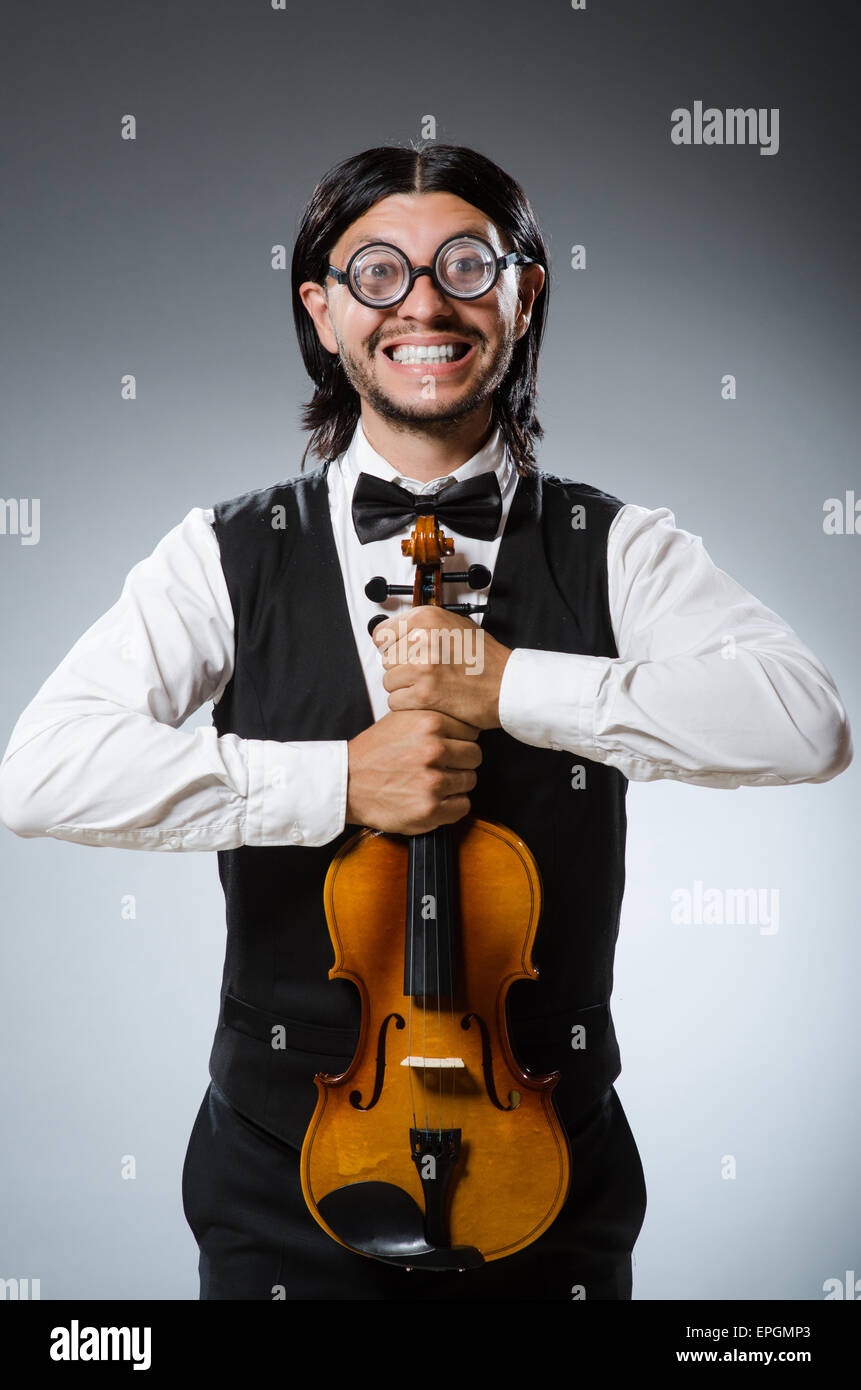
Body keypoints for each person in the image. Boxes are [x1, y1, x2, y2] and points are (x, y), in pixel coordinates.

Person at [0, 142, 852, 1302]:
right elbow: (40, 772)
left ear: (524, 290)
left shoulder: (623, 545)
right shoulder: (224, 552)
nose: (425, 304)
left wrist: (510, 687)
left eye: (465, 263)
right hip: (280, 1155)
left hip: (548, 1151)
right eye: (377, 275)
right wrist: (338, 782)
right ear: (323, 310)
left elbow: (809, 722)